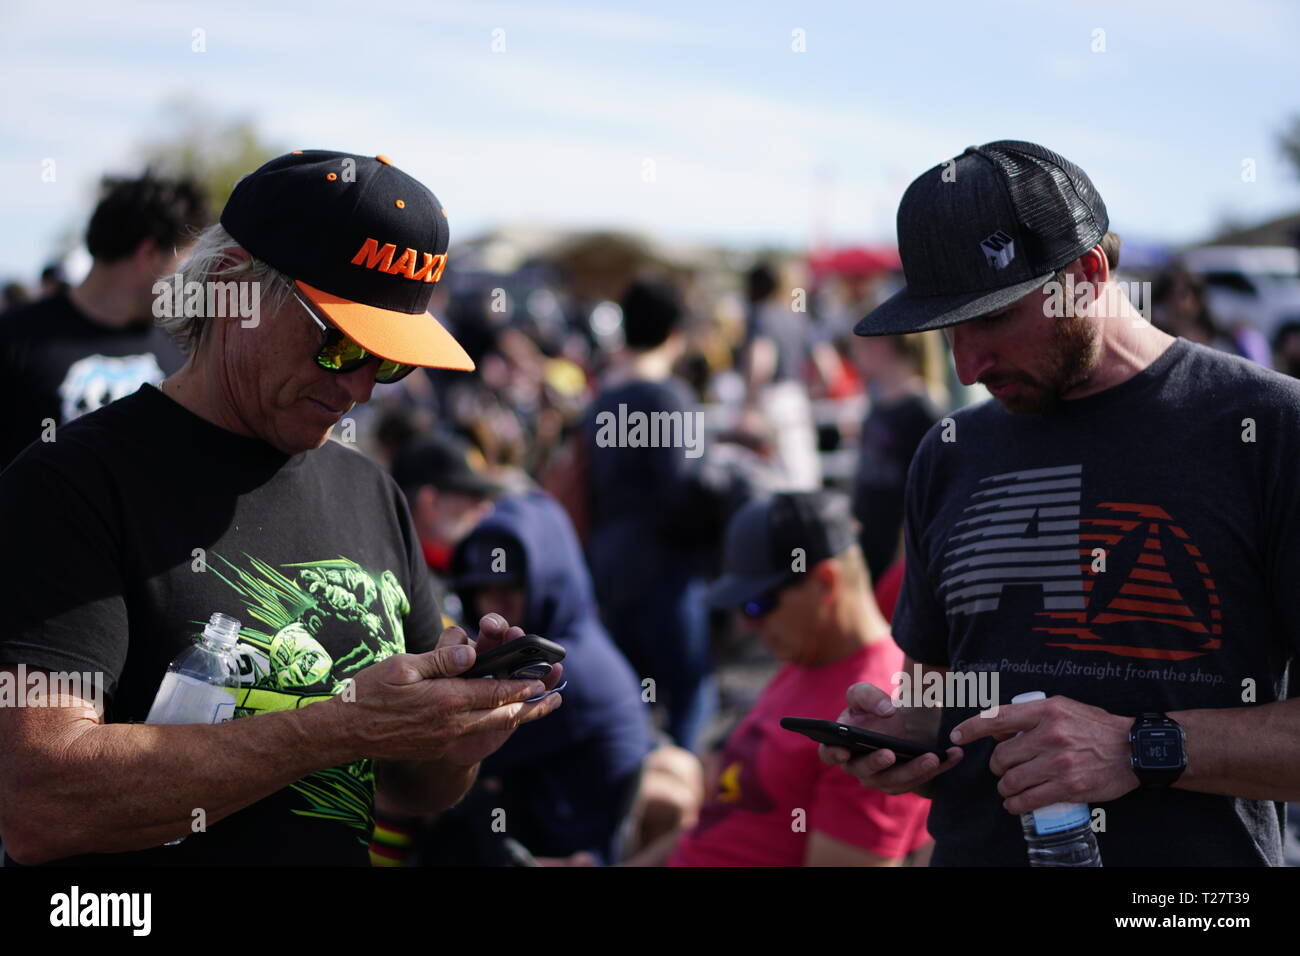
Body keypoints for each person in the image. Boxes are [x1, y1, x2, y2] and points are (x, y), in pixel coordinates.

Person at [0, 150, 561, 866]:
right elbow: (42, 803)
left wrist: (456, 742)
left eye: (388, 361)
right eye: (337, 345)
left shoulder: (370, 491)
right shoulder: (70, 484)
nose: (361, 388)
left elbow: (409, 788)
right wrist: (340, 727)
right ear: (232, 283)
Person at [828, 139, 1300, 866]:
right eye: (947, 327)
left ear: (1086, 275)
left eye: (989, 319)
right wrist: (900, 738)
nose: (965, 364)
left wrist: (1140, 746)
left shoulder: (1268, 428)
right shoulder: (950, 452)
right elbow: (936, 698)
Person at [626, 491, 931, 867]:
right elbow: (714, 825)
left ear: (825, 583)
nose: (747, 624)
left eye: (758, 604)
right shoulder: (805, 658)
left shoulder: (875, 712)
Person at [423, 490, 654, 864]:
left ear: (550, 581)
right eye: (481, 588)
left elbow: (435, 757)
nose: (493, 604)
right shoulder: (581, 642)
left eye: (510, 587)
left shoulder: (565, 672)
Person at [583, 278, 723, 751]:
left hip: (610, 566)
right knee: (691, 694)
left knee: (630, 701)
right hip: (667, 570)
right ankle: (682, 807)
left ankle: (637, 804)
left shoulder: (603, 397)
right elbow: (684, 490)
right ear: (676, 332)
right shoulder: (670, 396)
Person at [0, 173, 209, 469]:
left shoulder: (186, 347)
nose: (192, 280)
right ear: (148, 254)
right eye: (185, 262)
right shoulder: (15, 339)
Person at [849, 331, 945, 581]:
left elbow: (926, 492)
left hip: (899, 550)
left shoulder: (923, 410)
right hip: (869, 540)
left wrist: (905, 557)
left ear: (880, 345)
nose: (854, 355)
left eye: (859, 345)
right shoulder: (877, 403)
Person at [391, 432, 504, 627]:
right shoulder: (393, 580)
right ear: (430, 503)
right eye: (474, 498)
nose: (486, 508)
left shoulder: (462, 566)